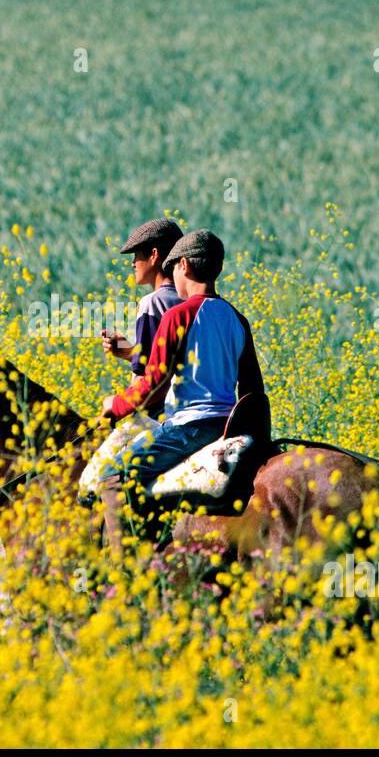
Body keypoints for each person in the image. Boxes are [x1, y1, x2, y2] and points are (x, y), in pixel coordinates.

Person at [96, 229, 265, 547]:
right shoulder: (237, 318)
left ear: (184, 265)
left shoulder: (178, 316)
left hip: (187, 428)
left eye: (173, 269)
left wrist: (115, 406)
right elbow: (253, 388)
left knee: (112, 476)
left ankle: (123, 573)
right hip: (228, 428)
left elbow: (152, 382)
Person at [101, 217, 183, 381]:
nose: (133, 263)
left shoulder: (152, 303)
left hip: (163, 405)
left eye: (136, 255)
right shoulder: (192, 301)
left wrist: (118, 405)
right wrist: (132, 353)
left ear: (154, 255)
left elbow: (145, 376)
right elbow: (167, 362)